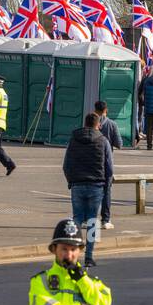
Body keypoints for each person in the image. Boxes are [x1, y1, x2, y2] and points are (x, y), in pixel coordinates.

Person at [62, 113, 111, 268]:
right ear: (98, 125)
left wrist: (71, 181)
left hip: (77, 183)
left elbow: (66, 164)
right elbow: (109, 167)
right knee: (92, 221)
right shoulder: (103, 141)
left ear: (85, 123)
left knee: (76, 219)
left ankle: (71, 254)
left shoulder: (74, 139)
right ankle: (89, 257)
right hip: (96, 185)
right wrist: (106, 185)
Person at [95, 100, 120, 229]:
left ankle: (89, 218)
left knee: (92, 191)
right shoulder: (112, 124)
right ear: (106, 110)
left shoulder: (91, 122)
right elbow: (119, 143)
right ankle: (105, 219)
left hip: (92, 161)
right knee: (106, 191)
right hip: (107, 161)